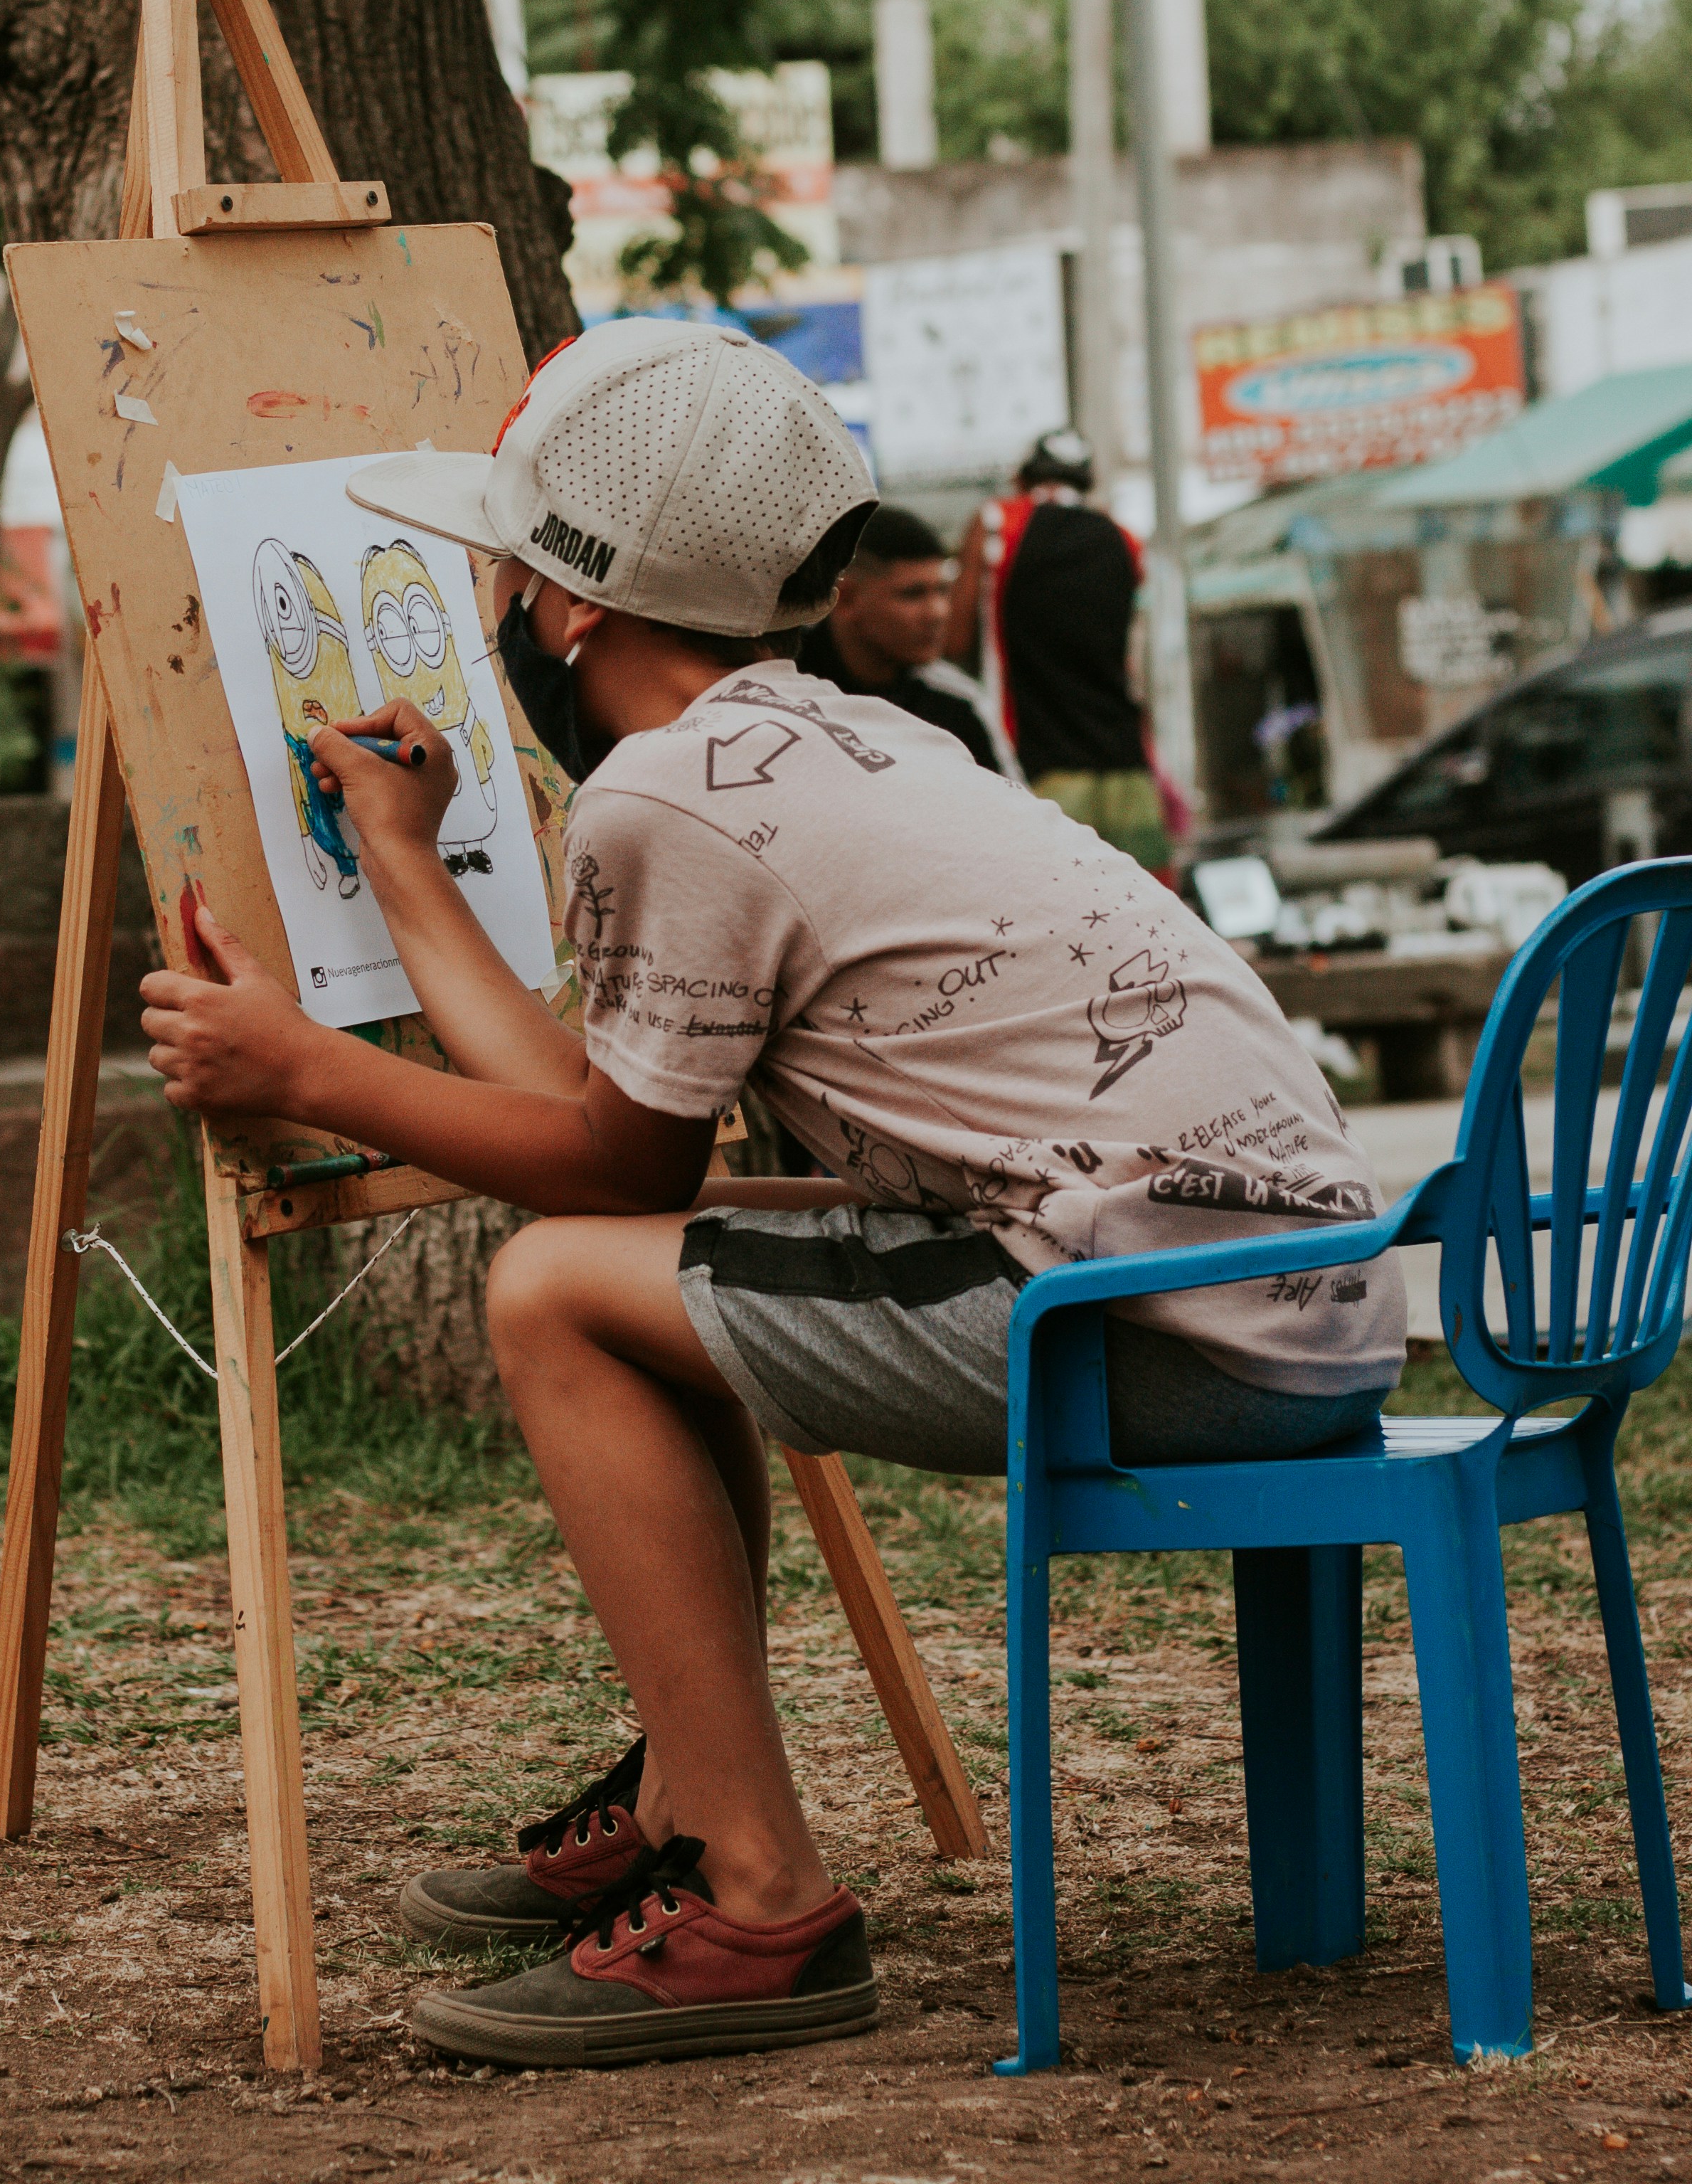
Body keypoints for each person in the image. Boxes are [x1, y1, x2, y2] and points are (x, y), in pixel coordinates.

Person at [137, 322, 1405, 2073]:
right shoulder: (809, 739)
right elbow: (598, 1112)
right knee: (631, 1275)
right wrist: (406, 864)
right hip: (1291, 1301)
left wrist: (301, 1069)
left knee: (550, 1287)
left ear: (568, 603)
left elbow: (611, 1168)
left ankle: (757, 1890)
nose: (491, 594)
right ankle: (685, 1789)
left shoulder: (665, 795)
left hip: (1156, 1328)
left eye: (501, 558)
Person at [940, 427, 1169, 871]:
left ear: (1022, 479)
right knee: (1145, 920)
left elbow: (955, 639)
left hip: (1036, 767)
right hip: (1127, 769)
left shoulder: (996, 524)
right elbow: (1134, 664)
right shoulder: (1126, 540)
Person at [797, 499, 1016, 779]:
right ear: (848, 599)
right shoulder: (784, 687)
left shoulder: (957, 702)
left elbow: (1018, 810)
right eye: (913, 594)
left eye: (942, 591)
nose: (938, 612)